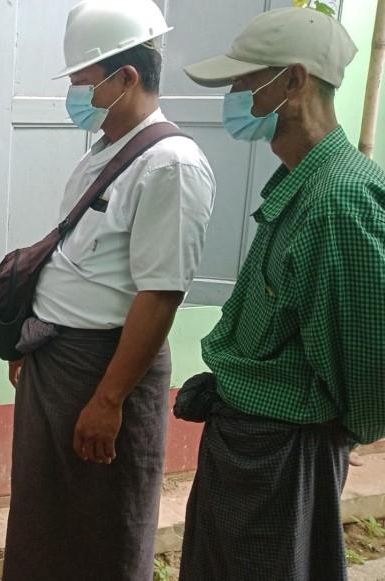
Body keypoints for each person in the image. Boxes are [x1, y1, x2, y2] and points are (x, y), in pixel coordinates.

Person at [2, 1, 217, 580]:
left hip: (106, 369)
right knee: (45, 521)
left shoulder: (170, 165)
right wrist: (35, 343)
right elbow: (82, 266)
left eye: (82, 82)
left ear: (126, 79)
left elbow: (160, 294)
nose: (75, 94)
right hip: (59, 360)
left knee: (103, 527)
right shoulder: (107, 151)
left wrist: (109, 400)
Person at [180, 8, 385, 580]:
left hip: (281, 459)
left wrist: (320, 442)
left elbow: (369, 375)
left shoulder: (339, 202)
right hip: (249, 449)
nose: (233, 98)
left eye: (243, 83)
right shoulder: (303, 185)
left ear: (293, 81)